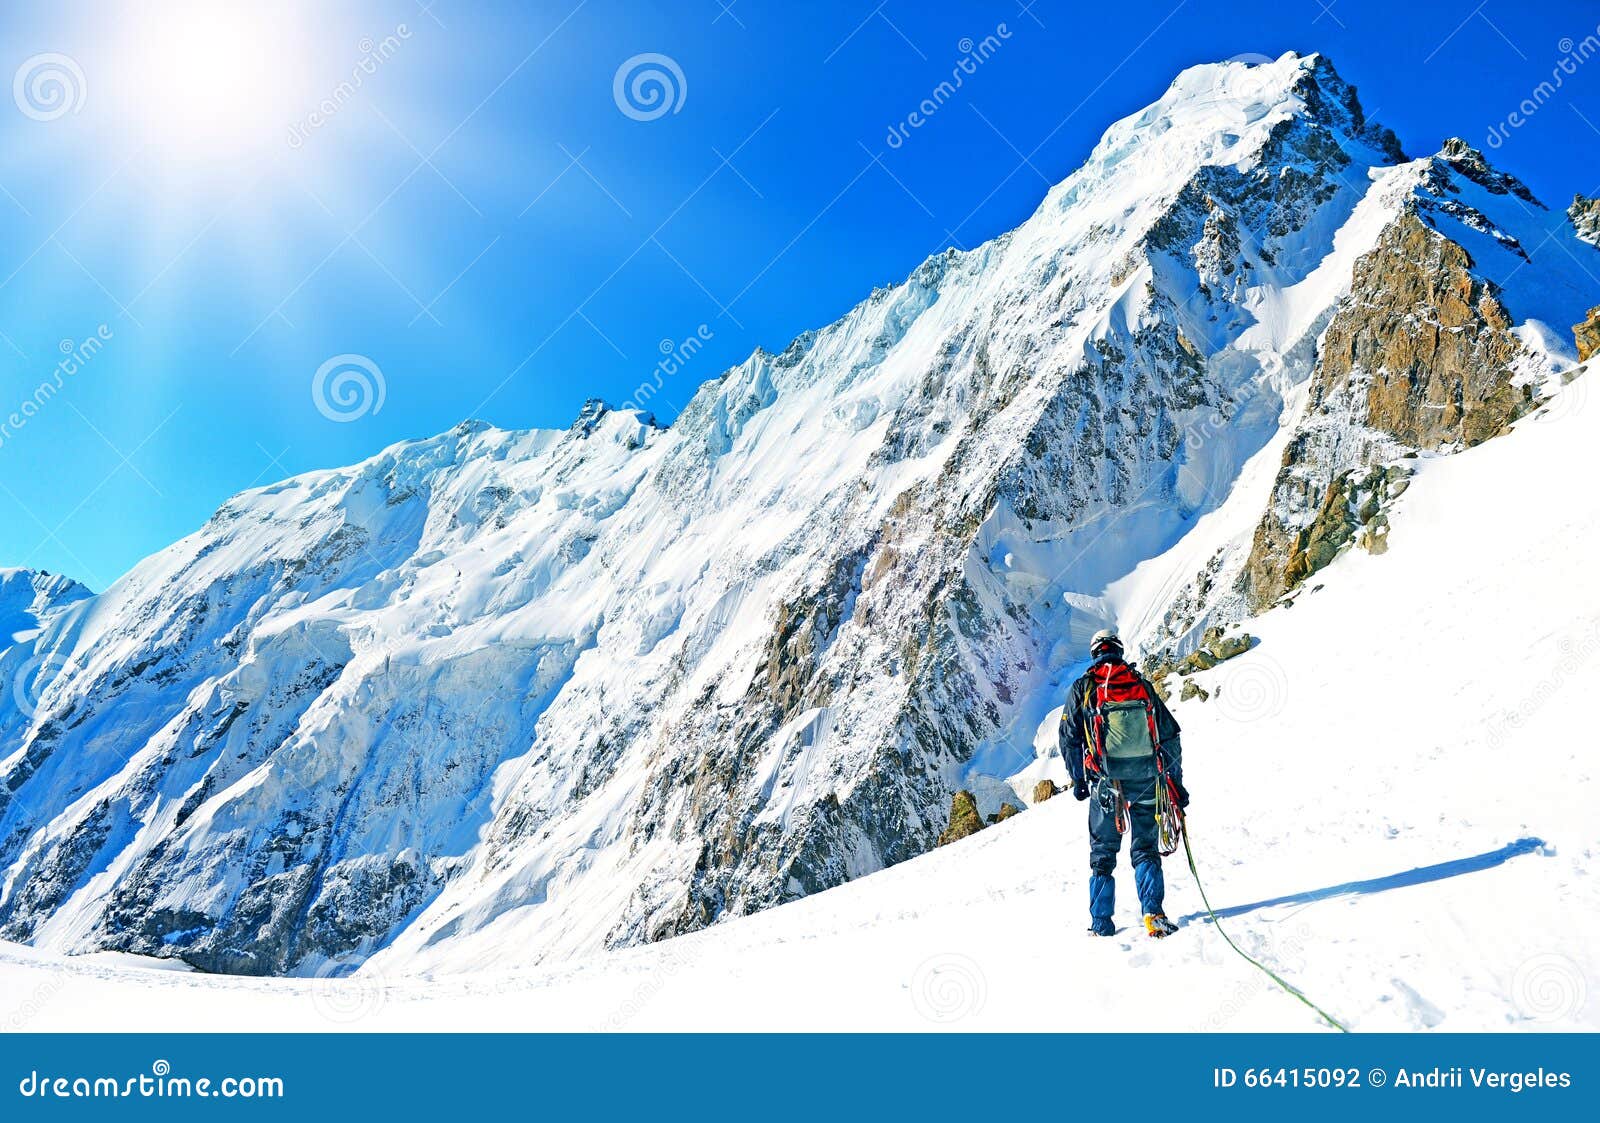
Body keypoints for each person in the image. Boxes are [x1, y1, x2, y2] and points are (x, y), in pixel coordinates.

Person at [1058, 627, 1188, 938]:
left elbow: (1068, 738)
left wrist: (1078, 779)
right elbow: (1169, 737)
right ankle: (1153, 914)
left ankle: (1102, 924)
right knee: (1145, 849)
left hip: (1107, 782)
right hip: (1148, 779)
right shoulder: (1140, 686)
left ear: (1095, 652)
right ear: (1118, 650)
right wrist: (1176, 785)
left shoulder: (1084, 687)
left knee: (1102, 854)